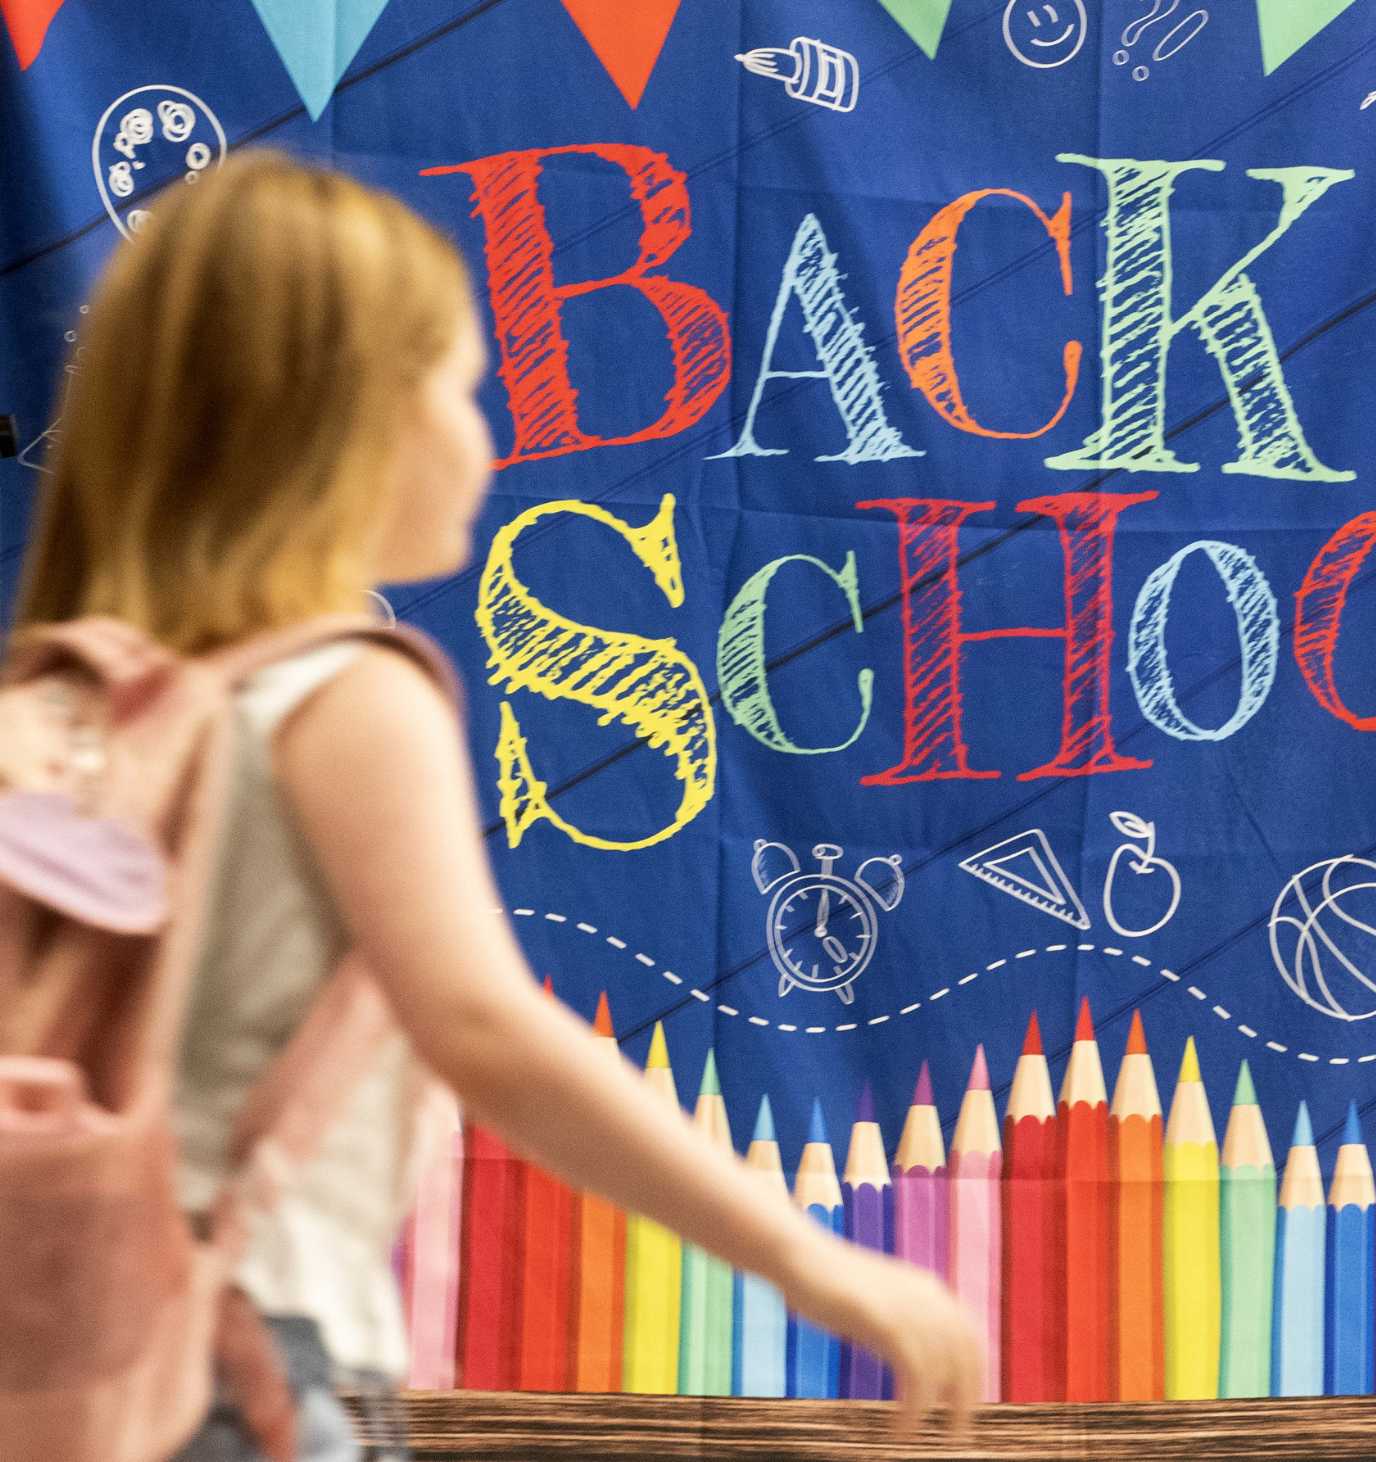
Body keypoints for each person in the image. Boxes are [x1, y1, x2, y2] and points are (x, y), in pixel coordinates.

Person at [9, 148, 982, 1459]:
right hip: (248, 1364)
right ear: (341, 424)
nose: (487, 433)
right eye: (460, 387)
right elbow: (483, 1024)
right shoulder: (345, 693)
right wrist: (813, 1261)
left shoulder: (49, 708)